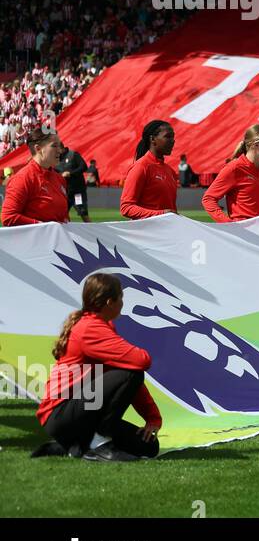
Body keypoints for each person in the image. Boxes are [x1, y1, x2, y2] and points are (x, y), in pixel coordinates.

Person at [32, 273, 161, 462]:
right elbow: (142, 361)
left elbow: (132, 372)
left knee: (149, 446)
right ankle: (98, 443)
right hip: (60, 414)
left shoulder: (100, 326)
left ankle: (73, 445)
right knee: (130, 373)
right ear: (110, 302)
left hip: (78, 413)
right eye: (121, 298)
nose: (122, 303)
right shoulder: (90, 328)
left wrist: (152, 419)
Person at [202, 124, 259, 222]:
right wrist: (228, 223)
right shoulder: (234, 168)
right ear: (256, 145)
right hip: (242, 234)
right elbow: (208, 199)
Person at [1, 128, 69, 226]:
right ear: (38, 149)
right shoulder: (23, 178)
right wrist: (44, 227)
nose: (60, 150)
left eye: (60, 146)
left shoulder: (60, 179)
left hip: (57, 240)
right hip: (34, 240)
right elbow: (8, 217)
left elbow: (63, 217)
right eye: (54, 146)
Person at [119, 119, 178, 219]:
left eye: (173, 136)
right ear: (152, 139)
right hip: (145, 233)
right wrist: (162, 214)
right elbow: (126, 208)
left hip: (166, 233)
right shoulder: (141, 167)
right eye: (168, 136)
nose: (173, 140)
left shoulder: (170, 171)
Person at [56, 141, 91, 222]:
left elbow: (84, 167)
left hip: (77, 192)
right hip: (64, 193)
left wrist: (70, 173)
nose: (56, 152)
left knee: (83, 213)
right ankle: (66, 234)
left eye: (57, 149)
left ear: (62, 148)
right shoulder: (56, 159)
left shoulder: (73, 155)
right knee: (62, 215)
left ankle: (93, 234)